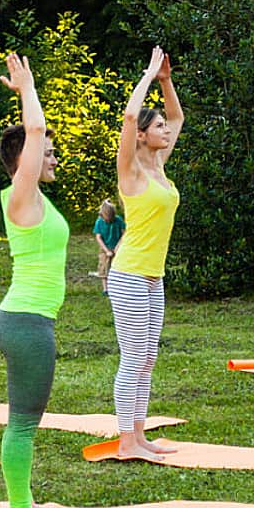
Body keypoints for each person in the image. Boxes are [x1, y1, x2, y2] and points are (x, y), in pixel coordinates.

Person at [0, 53, 68, 508]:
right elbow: (36, 133)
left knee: (28, 418)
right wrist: (27, 90)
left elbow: (39, 140)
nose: (53, 155)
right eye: (46, 151)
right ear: (24, 162)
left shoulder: (35, 197)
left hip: (30, 321)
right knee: (23, 420)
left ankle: (25, 498)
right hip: (25, 323)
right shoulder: (20, 194)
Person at [109, 46, 182, 459]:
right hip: (130, 273)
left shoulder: (160, 166)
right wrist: (147, 76)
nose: (166, 132)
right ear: (142, 135)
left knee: (148, 357)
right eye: (157, 129)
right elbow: (129, 117)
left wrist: (166, 82)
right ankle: (125, 441)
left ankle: (139, 435)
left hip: (153, 275)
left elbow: (177, 118)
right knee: (133, 356)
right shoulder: (132, 170)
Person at [92, 199, 125, 293]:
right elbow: (98, 237)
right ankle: (105, 289)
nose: (108, 220)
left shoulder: (118, 220)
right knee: (103, 267)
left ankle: (116, 287)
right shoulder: (99, 222)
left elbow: (124, 234)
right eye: (106, 219)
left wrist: (118, 246)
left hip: (117, 248)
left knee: (117, 267)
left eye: (110, 219)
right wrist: (106, 250)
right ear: (102, 215)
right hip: (105, 248)